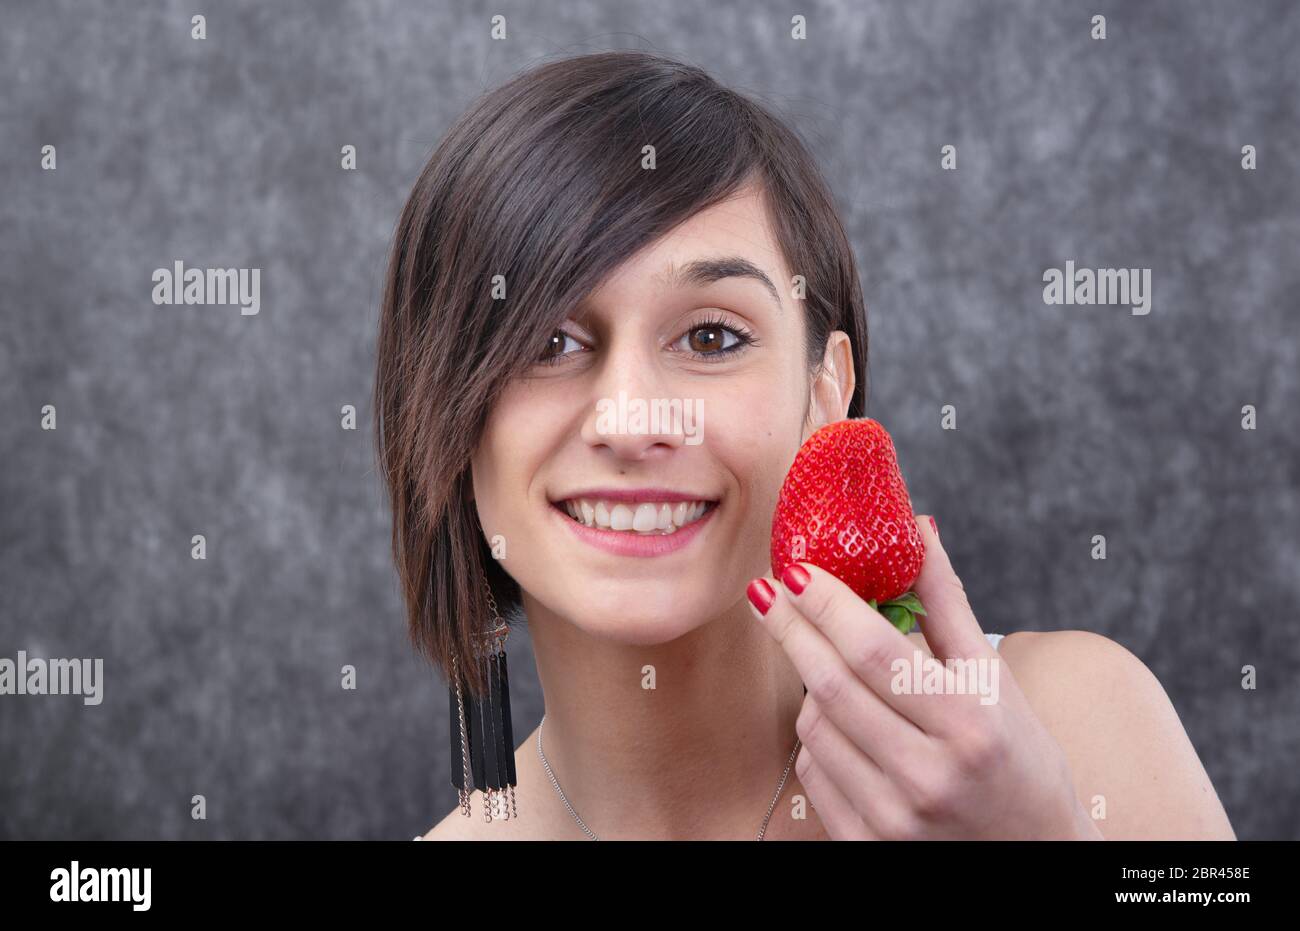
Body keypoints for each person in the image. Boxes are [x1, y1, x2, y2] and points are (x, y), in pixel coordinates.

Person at [376, 50, 1235, 841]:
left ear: (826, 393)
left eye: (711, 338)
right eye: (546, 343)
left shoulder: (1080, 718)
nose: (635, 420)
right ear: (441, 410)